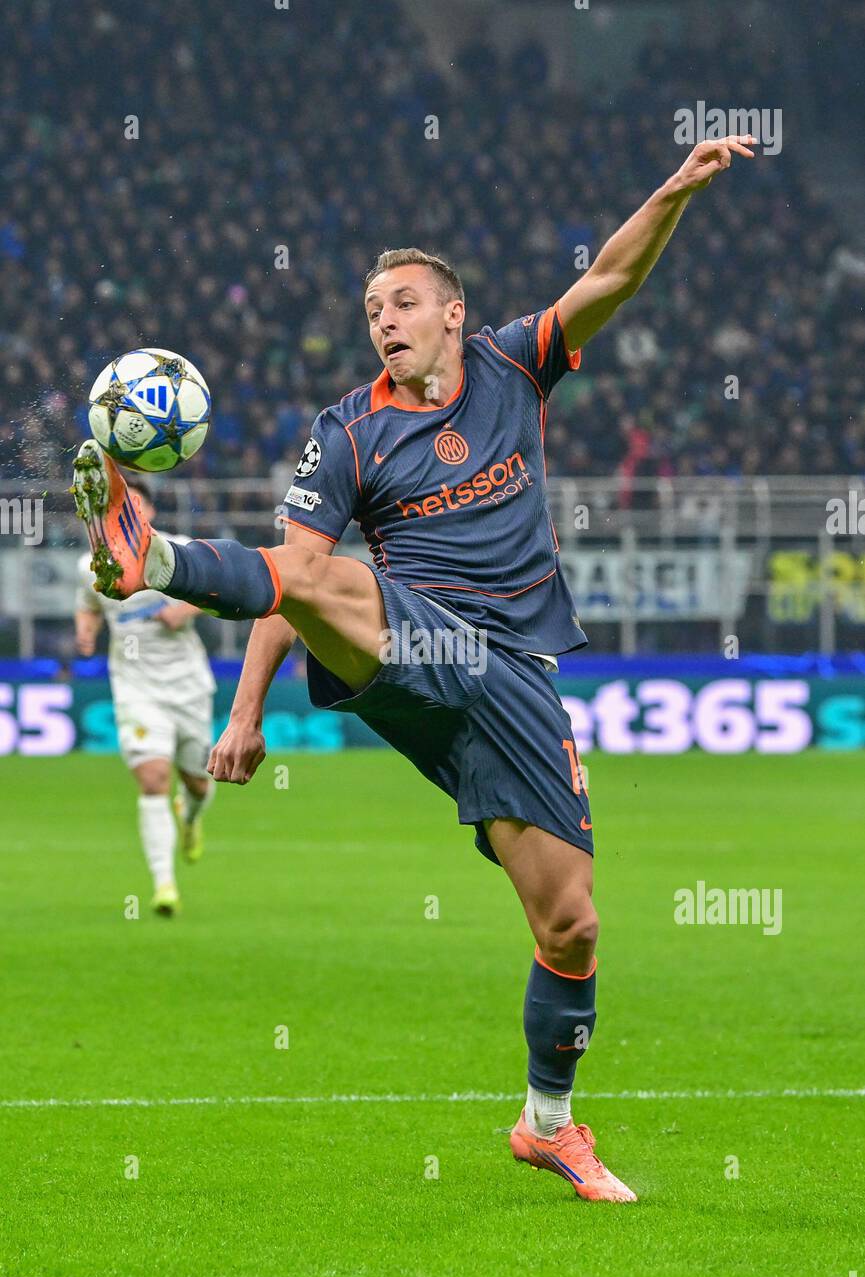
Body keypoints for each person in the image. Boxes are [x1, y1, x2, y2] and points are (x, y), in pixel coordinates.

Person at [71, 134, 755, 1198]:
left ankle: (548, 1122)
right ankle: (150, 552)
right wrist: (245, 708)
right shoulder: (346, 433)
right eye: (368, 311)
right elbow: (297, 578)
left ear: (451, 312)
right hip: (420, 644)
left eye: (398, 303)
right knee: (325, 568)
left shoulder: (513, 361)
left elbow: (610, 274)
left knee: (569, 922)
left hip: (519, 676)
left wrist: (670, 187)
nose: (381, 321)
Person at [74, 479, 216, 916]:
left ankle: (190, 817)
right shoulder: (95, 564)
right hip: (136, 688)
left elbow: (217, 592)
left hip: (188, 684)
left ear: (150, 512)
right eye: (122, 504)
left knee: (197, 781)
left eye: (136, 504)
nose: (128, 511)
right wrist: (86, 629)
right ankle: (164, 884)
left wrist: (185, 608)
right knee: (153, 778)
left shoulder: (180, 551)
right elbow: (89, 602)